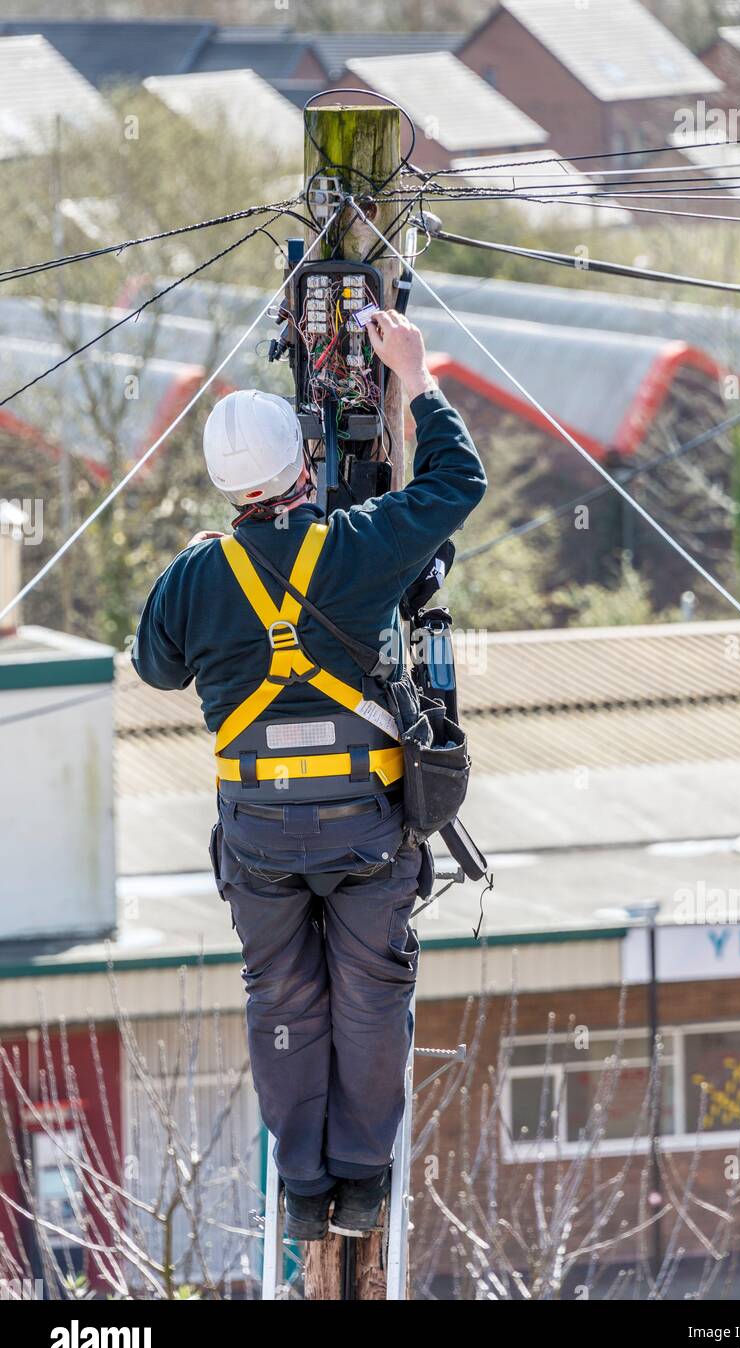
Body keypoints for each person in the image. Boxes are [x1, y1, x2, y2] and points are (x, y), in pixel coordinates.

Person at [132, 311, 487, 1239]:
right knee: (370, 995)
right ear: (303, 467)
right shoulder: (360, 546)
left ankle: (302, 1191)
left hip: (260, 839)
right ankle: (363, 1186)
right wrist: (412, 372)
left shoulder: (194, 578)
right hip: (365, 831)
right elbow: (459, 481)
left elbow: (159, 668)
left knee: (281, 999)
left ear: (225, 487)